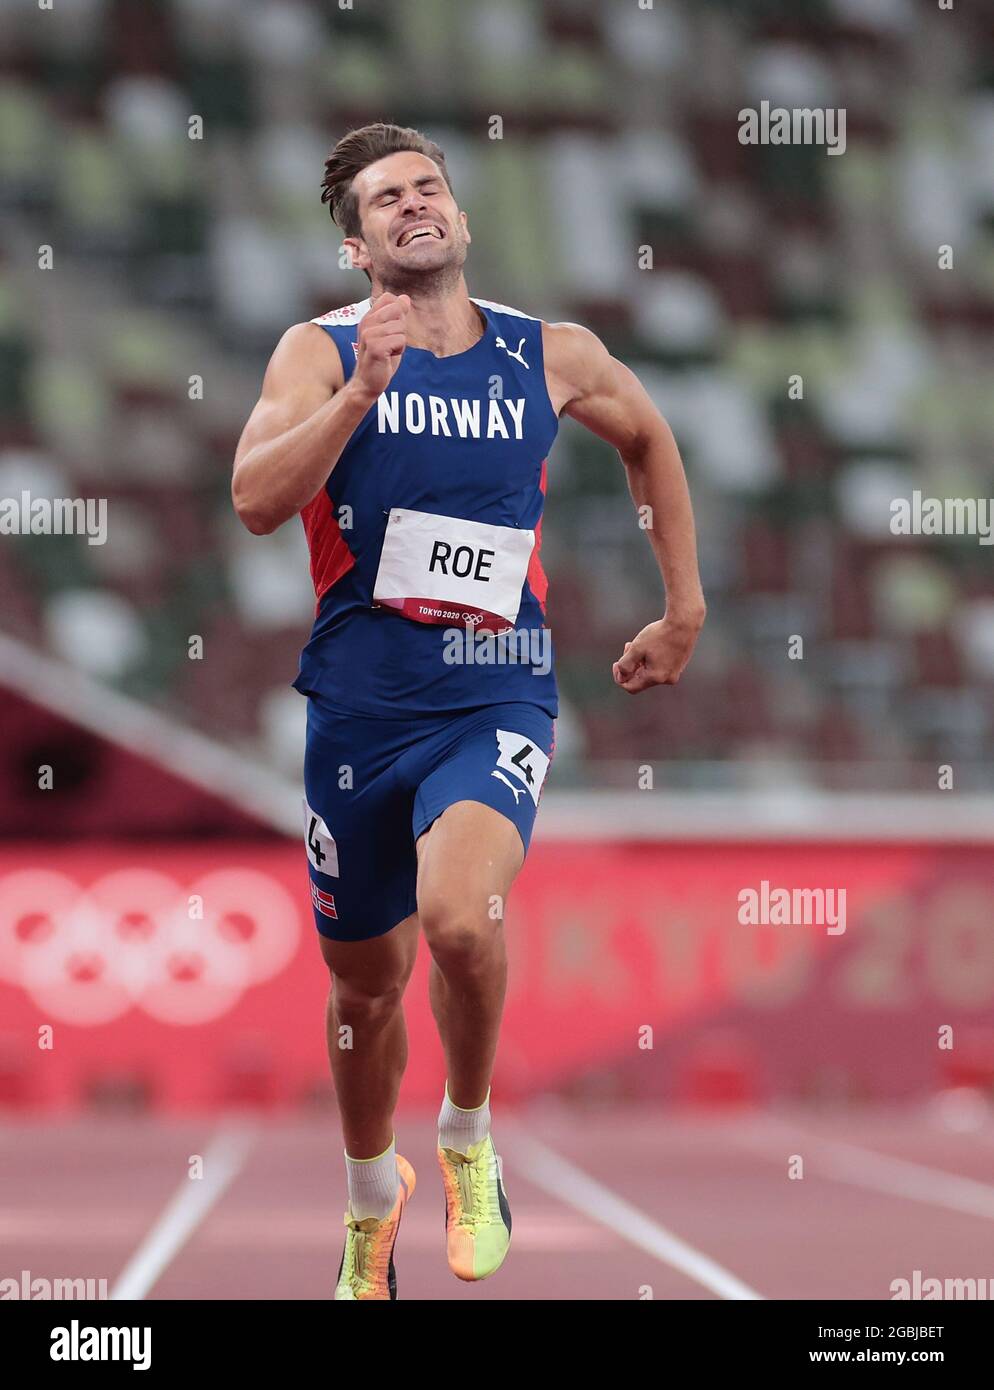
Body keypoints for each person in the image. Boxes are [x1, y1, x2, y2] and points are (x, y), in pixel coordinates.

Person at [232, 123, 705, 1300]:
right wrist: (359, 398)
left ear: (461, 216)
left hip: (498, 687)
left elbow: (649, 435)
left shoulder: (549, 353)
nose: (411, 205)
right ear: (356, 246)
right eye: (384, 200)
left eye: (426, 186)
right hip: (357, 704)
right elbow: (251, 499)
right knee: (363, 987)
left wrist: (683, 605)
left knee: (458, 918)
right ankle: (365, 1198)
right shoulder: (320, 350)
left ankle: (466, 1133)